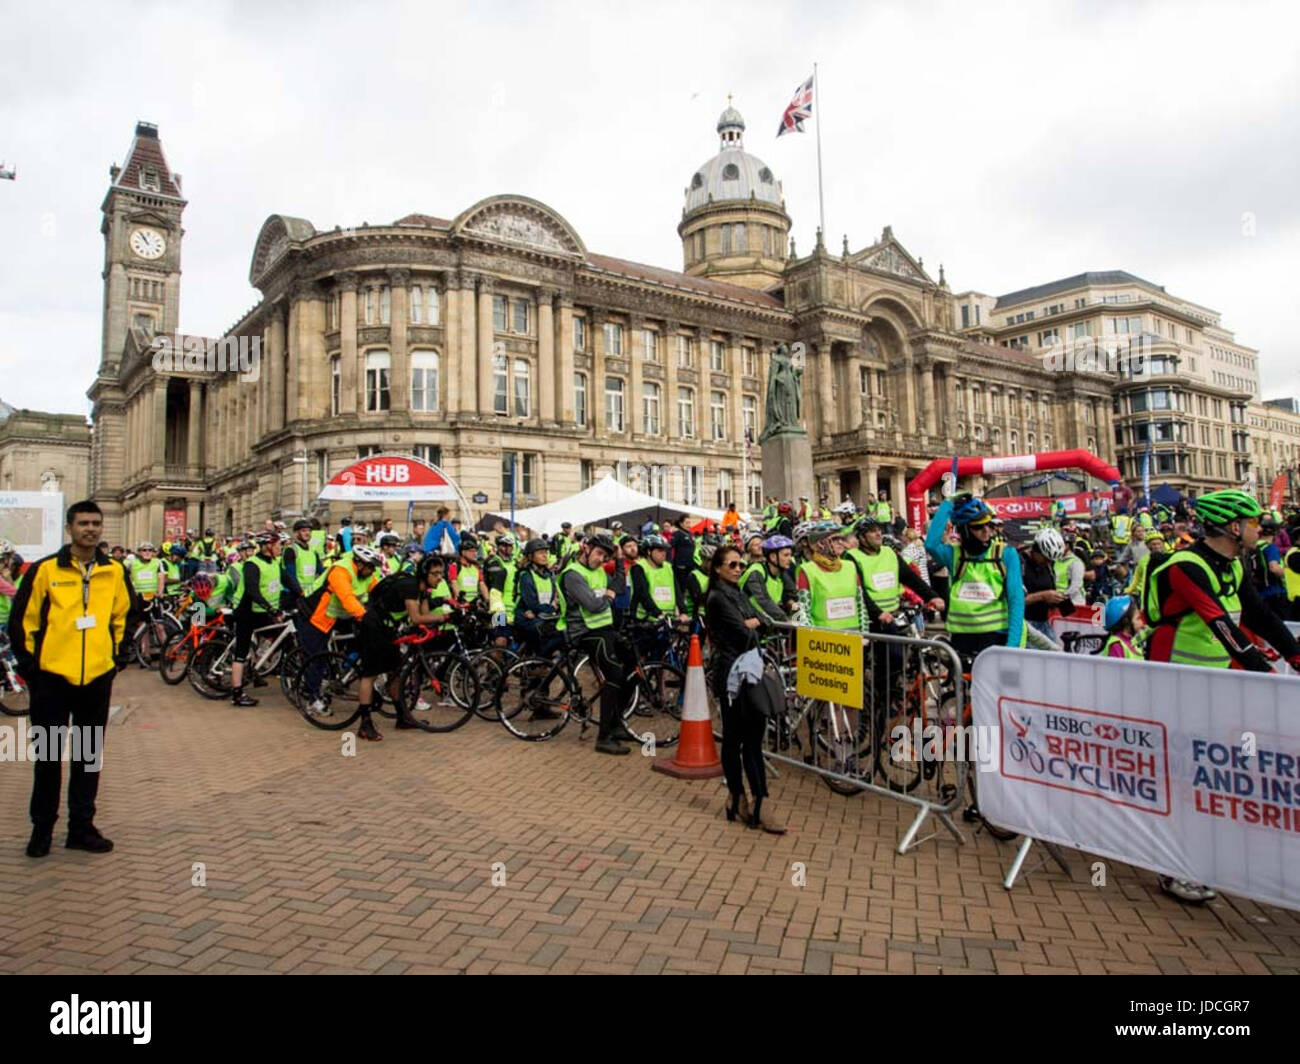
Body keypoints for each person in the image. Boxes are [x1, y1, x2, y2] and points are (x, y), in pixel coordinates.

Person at [9, 500, 131, 858]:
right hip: (52, 680)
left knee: (88, 756)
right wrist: (32, 668)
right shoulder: (46, 570)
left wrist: (115, 659)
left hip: (96, 677)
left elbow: (125, 616)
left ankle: (81, 827)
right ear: (70, 528)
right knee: (48, 758)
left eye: (95, 523)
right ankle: (41, 829)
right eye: (83, 523)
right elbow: (23, 622)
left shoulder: (114, 571)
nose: (90, 529)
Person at [1145, 490, 1300, 673]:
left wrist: (1294, 655)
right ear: (1235, 527)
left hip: (1214, 672)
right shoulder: (1186, 566)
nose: (1260, 528)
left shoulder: (1234, 564)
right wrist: (1267, 674)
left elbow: (1259, 615)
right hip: (1173, 671)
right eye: (1253, 521)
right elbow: (1221, 624)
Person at [707, 544, 785, 834]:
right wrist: (753, 625)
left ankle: (760, 802)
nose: (738, 569)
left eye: (740, 564)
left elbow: (763, 621)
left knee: (752, 738)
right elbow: (743, 632)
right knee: (734, 738)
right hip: (731, 674)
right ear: (717, 568)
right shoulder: (716, 598)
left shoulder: (738, 594)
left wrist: (755, 623)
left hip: (748, 669)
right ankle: (737, 796)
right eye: (732, 565)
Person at [353, 553, 456, 740]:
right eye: (435, 573)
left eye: (441, 573)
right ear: (425, 574)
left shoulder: (424, 589)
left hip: (388, 627)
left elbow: (424, 615)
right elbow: (417, 618)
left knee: (395, 673)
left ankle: (403, 717)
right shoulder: (410, 587)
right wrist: (445, 618)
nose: (440, 577)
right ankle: (364, 723)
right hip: (373, 625)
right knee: (370, 674)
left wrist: (446, 615)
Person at [556, 534, 640, 755]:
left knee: (635, 669)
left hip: (604, 629)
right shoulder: (573, 574)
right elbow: (593, 605)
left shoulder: (599, 570)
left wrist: (620, 559)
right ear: (585, 549)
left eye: (605, 555)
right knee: (614, 675)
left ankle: (615, 722)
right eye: (599, 554)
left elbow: (619, 584)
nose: (601, 559)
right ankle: (604, 737)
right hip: (584, 632)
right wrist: (610, 596)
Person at [925, 492, 1025, 658]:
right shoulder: (954, 554)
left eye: (988, 524)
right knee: (963, 684)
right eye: (978, 527)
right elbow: (931, 544)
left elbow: (1016, 600)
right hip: (962, 637)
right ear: (964, 530)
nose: (986, 531)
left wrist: (1012, 646)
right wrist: (947, 505)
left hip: (995, 635)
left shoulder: (1006, 554)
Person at [301, 544, 383, 715]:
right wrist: (366, 617)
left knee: (361, 639)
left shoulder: (367, 574)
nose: (372, 572)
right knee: (317, 657)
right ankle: (312, 698)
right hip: (315, 614)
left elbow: (380, 590)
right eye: (370, 568)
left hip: (339, 615)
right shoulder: (341, 571)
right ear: (360, 564)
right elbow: (347, 599)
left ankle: (343, 673)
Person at [227, 532, 283, 706]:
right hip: (246, 611)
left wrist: (304, 595)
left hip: (262, 611)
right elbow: (252, 590)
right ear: (268, 547)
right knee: (241, 652)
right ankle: (237, 693)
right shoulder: (252, 564)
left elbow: (287, 581)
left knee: (280, 635)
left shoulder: (275, 562)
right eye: (278, 545)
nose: (280, 547)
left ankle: (255, 669)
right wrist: (271, 609)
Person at [515, 539, 562, 657]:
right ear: (530, 556)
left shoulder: (549, 576)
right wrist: (551, 610)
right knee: (549, 631)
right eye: (540, 552)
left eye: (546, 552)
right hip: (524, 618)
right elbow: (532, 604)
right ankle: (536, 664)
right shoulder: (526, 576)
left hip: (541, 615)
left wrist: (549, 610)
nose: (544, 555)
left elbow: (551, 599)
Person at [1022, 528, 1068, 646]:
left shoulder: (1048, 566)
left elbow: (1049, 589)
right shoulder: (1020, 563)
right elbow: (1015, 600)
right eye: (1046, 559)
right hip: (1025, 623)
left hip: (1044, 622)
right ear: (1036, 551)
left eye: (1051, 560)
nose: (1048, 562)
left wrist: (1057, 600)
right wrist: (1043, 596)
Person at [740, 534, 796, 624]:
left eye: (790, 555)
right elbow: (764, 600)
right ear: (773, 557)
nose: (790, 559)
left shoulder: (781, 573)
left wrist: (798, 610)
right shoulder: (756, 572)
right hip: (749, 621)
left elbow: (791, 592)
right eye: (786, 555)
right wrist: (786, 620)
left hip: (767, 621)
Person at [1249, 517, 1289, 620]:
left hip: (1259, 592)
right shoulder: (1270, 548)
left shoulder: (1253, 547)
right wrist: (1287, 573)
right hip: (1275, 592)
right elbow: (1274, 568)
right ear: (1275, 533)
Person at [280, 518, 324, 613]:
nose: (307, 533)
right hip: (293, 596)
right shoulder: (291, 550)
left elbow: (321, 572)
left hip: (308, 595)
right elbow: (290, 576)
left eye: (309, 530)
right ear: (296, 533)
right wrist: (300, 592)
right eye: (303, 531)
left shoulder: (313, 551)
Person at [1100, 594, 1145, 659]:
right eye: (1138, 618)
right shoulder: (1117, 646)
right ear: (1126, 621)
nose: (1142, 623)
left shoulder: (1133, 641)